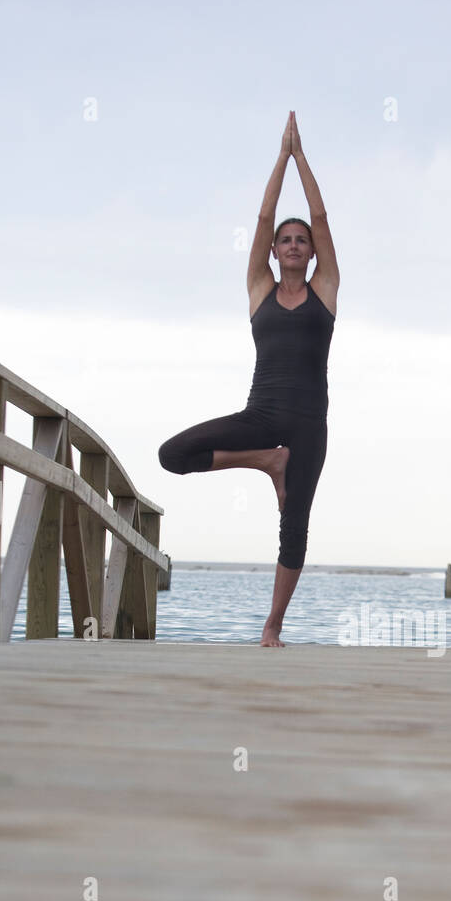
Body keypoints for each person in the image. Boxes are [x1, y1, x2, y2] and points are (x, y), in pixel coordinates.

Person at [158, 111, 339, 646]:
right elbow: (261, 218)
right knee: (172, 454)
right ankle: (265, 461)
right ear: (274, 250)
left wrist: (302, 158)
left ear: (310, 254)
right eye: (285, 239)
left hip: (308, 423)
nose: (292, 243)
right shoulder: (259, 288)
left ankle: (271, 627)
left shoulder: (324, 290)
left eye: (300, 240)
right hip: (259, 417)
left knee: (296, 525)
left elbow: (322, 218)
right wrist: (279, 158)